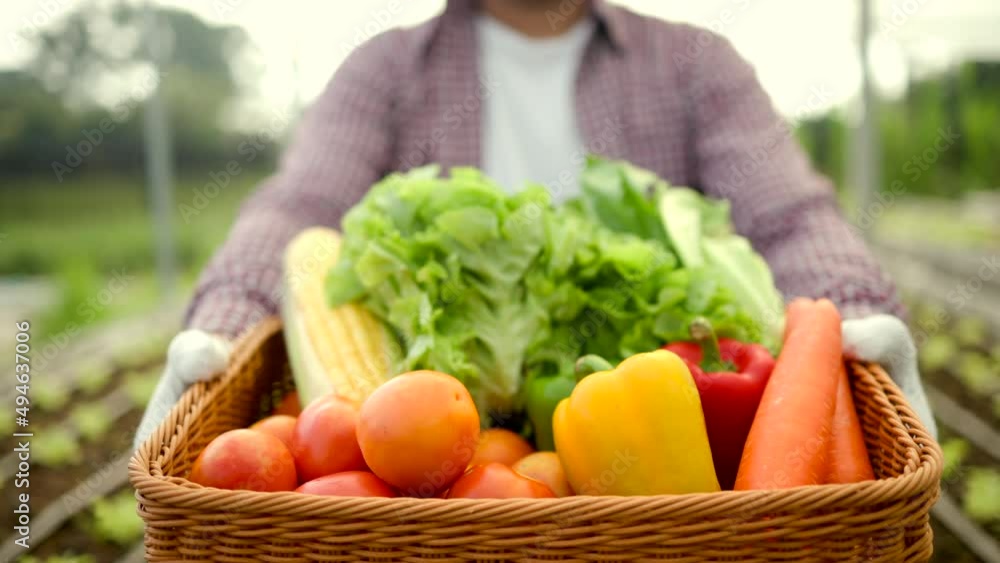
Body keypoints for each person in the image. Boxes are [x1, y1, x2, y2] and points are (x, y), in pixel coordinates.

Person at [134, 0, 936, 448]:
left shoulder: (696, 65)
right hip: (441, 450)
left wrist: (856, 313)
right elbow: (300, 207)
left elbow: (789, 215)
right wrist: (223, 324)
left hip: (659, 435)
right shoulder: (384, 71)